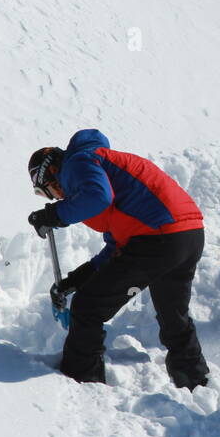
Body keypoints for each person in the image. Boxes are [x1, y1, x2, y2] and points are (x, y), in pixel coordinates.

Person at [26, 129, 209, 389]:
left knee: (88, 308)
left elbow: (98, 198)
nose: (58, 196)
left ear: (53, 170)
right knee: (173, 314)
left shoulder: (77, 162)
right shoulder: (105, 168)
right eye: (50, 196)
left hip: (158, 237)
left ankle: (81, 382)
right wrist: (75, 281)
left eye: (50, 190)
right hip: (186, 235)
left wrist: (54, 214)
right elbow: (117, 250)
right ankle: (194, 380)